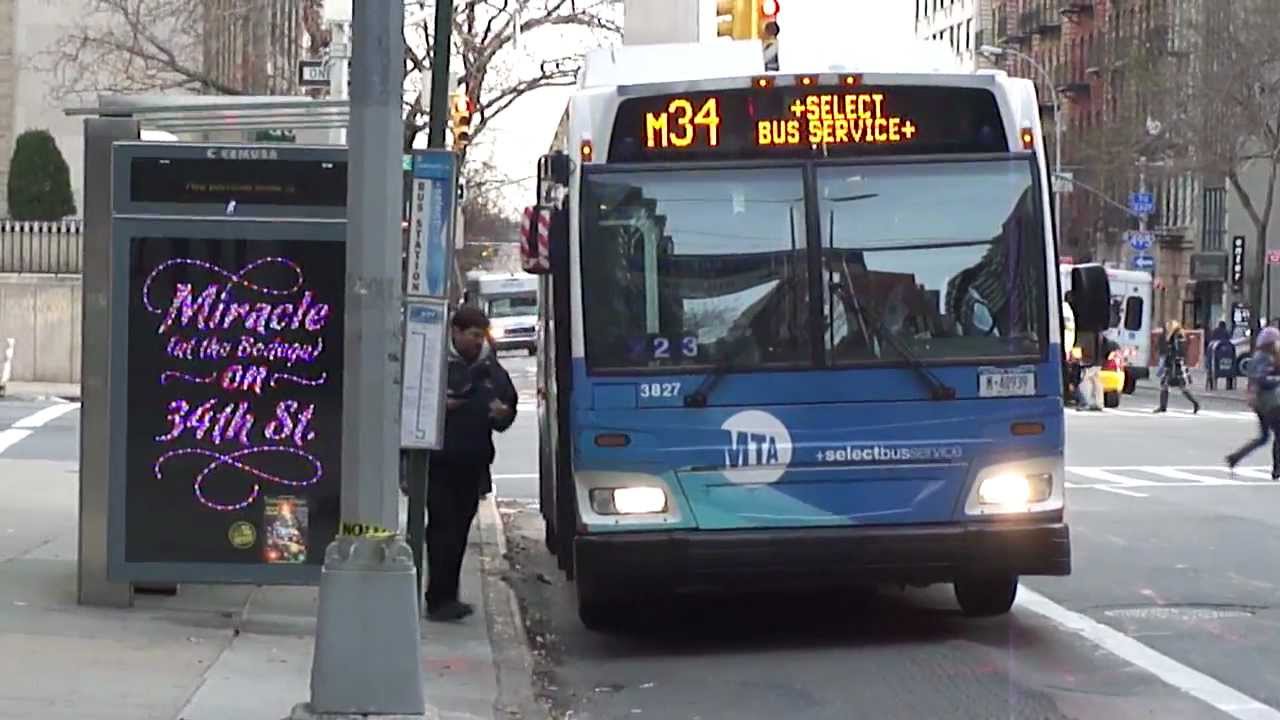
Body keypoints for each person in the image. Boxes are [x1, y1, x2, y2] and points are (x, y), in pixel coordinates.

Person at [425, 306, 518, 622]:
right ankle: (438, 598)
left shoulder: (489, 367)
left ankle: (447, 595)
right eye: (473, 335)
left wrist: (503, 413)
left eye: (482, 336)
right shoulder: (436, 361)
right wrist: (444, 407)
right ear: (456, 331)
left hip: (473, 463)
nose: (478, 342)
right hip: (437, 462)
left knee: (459, 529)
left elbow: (508, 403)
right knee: (442, 529)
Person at [1226, 326, 1280, 478]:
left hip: (1261, 403)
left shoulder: (1260, 356)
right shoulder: (1265, 358)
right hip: (1270, 403)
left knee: (1264, 437)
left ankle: (1235, 457)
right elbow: (1263, 379)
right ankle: (1277, 469)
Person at [1155, 320, 1200, 414]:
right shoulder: (1177, 335)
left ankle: (1195, 403)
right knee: (1166, 385)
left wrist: (1172, 358)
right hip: (1175, 364)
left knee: (1179, 386)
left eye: (1168, 326)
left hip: (1175, 365)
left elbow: (1177, 351)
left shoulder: (1176, 336)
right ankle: (1163, 406)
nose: (1167, 328)